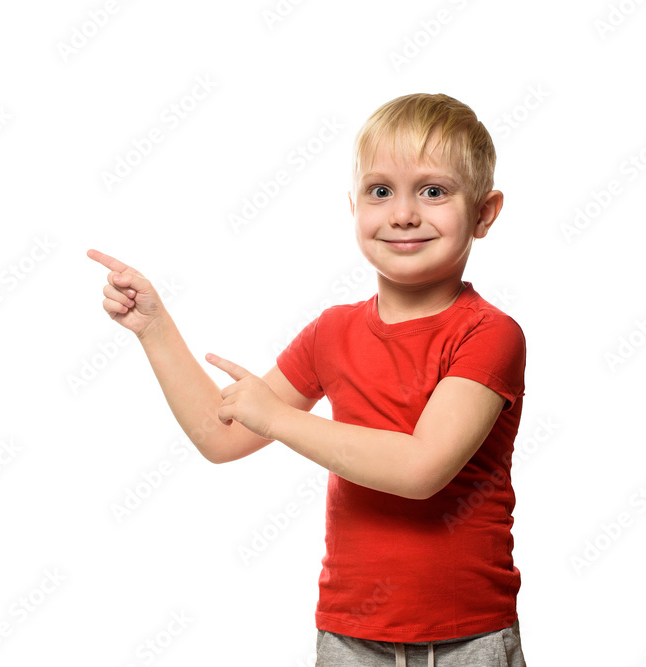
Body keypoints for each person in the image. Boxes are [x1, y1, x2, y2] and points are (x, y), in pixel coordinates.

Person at [88, 92, 527, 666]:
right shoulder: (331, 332)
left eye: (433, 191)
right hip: (350, 636)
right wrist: (154, 328)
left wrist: (277, 418)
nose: (402, 213)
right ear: (353, 206)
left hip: (470, 637)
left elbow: (420, 469)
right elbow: (221, 436)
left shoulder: (490, 334)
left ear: (485, 213)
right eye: (380, 191)